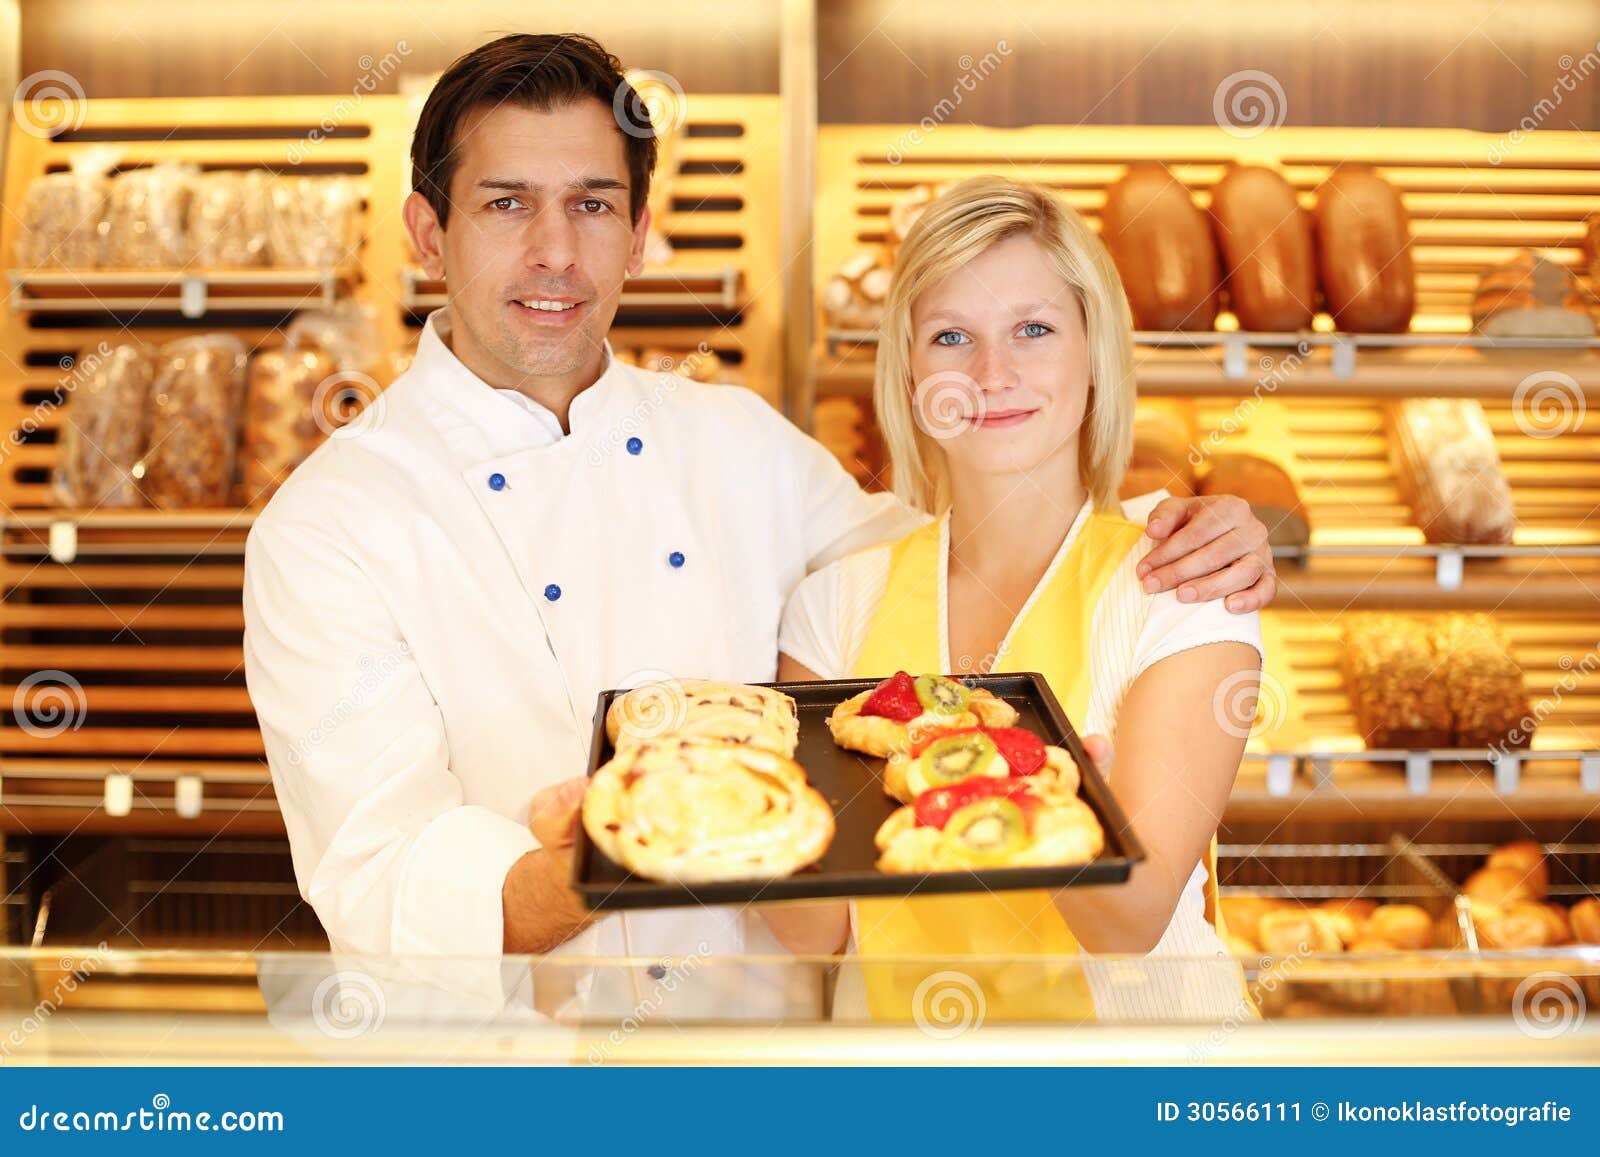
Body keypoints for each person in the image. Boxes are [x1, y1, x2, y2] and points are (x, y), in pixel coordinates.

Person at [243, 34, 1276, 1020]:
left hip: (749, 1056)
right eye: (507, 203)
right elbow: (380, 872)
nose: (555, 252)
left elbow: (963, 542)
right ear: (429, 232)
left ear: (639, 233)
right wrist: (622, 852)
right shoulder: (331, 524)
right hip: (515, 1068)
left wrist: (1185, 520)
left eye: (594, 205)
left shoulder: (737, 442)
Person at [777, 176, 1263, 1021]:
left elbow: (1131, 916)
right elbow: (811, 925)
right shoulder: (833, 605)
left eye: (1033, 330)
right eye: (951, 336)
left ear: (1094, 356)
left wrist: (986, 776)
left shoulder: (1183, 584)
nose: (991, 373)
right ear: (911, 371)